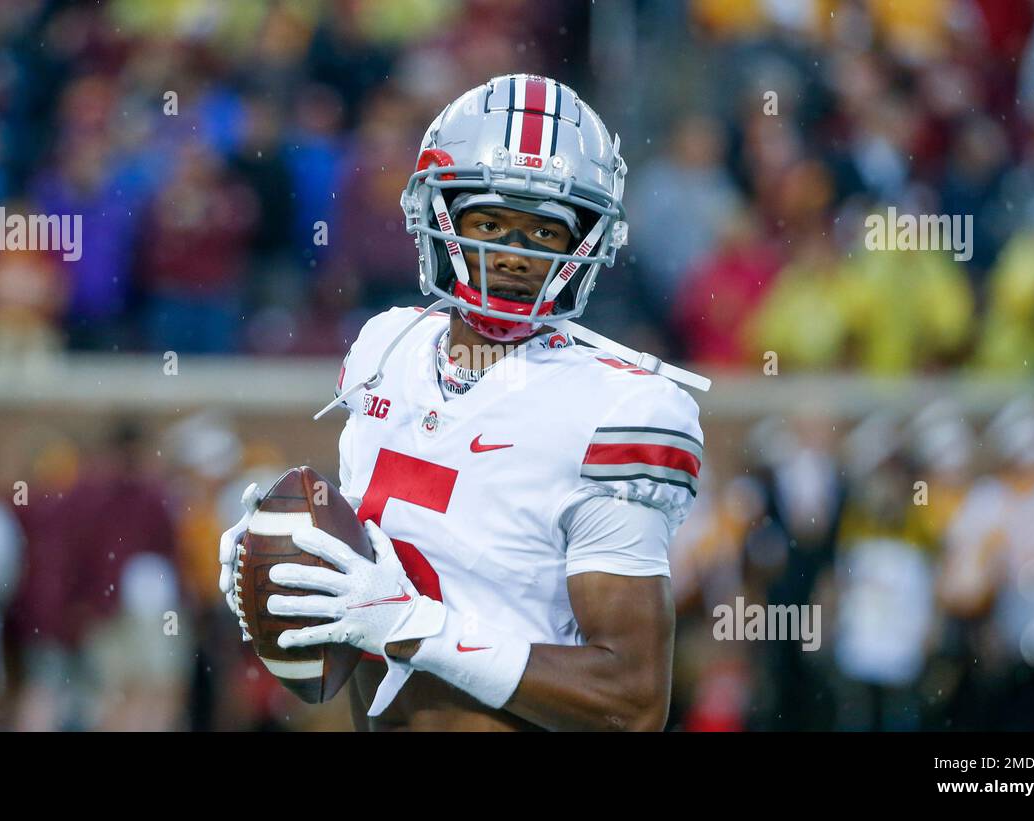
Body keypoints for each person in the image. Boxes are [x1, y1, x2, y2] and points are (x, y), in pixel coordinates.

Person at [219, 74, 708, 730]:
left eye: (542, 233)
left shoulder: (621, 410)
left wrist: (417, 628)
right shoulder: (384, 349)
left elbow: (631, 700)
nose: (510, 252)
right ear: (441, 215)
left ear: (585, 244)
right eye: (491, 221)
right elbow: (381, 554)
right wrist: (288, 561)